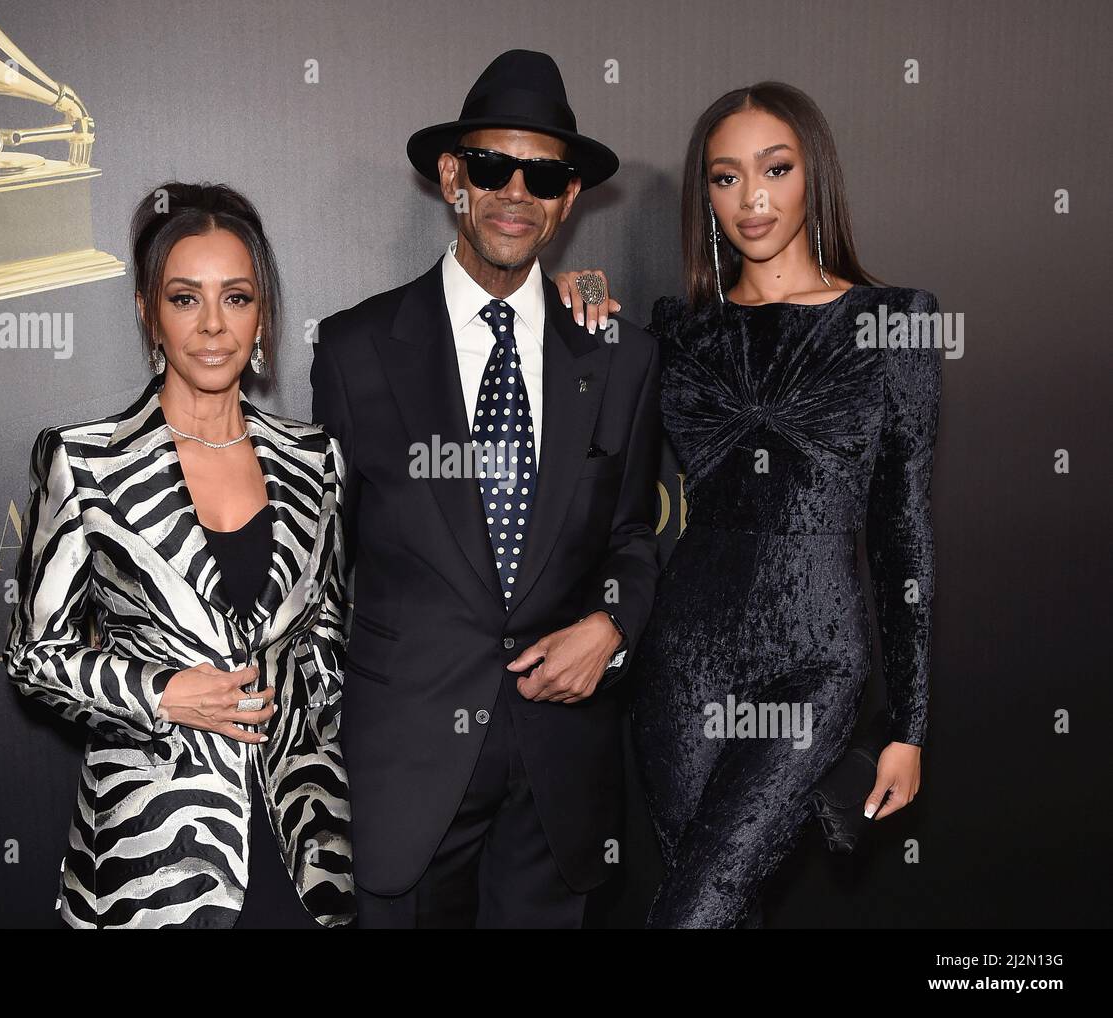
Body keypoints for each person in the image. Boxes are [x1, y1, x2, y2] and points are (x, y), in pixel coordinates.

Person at [556, 82, 939, 928]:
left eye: (775, 168)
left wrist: (909, 724)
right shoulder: (680, 331)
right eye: (726, 178)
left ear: (815, 176)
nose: (753, 198)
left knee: (701, 902)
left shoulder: (895, 323)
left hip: (818, 662)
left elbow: (903, 531)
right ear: (707, 197)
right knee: (724, 905)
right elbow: (592, 432)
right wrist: (576, 292)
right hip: (681, 659)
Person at [311, 49, 661, 928]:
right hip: (407, 760)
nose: (516, 192)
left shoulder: (619, 355)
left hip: (560, 772)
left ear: (570, 197)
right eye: (493, 166)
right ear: (451, 176)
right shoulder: (355, 351)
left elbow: (633, 536)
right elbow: (322, 563)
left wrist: (613, 625)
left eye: (543, 174)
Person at [4, 182, 355, 929]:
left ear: (262, 316)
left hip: (299, 848)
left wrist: (301, 704)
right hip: (150, 857)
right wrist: (164, 693)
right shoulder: (84, 462)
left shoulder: (315, 459)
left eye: (236, 298)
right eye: (184, 298)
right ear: (148, 311)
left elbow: (326, 625)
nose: (212, 326)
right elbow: (35, 657)